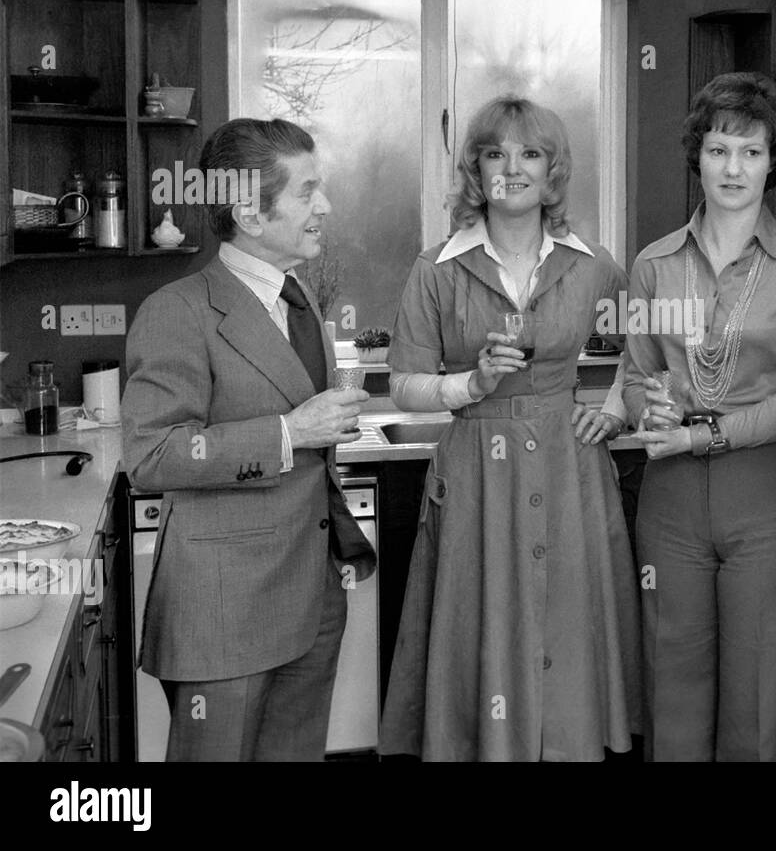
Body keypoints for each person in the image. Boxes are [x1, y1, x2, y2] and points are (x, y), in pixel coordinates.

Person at [379, 95, 639, 762]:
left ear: (553, 170)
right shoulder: (434, 268)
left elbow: (655, 350)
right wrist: (471, 384)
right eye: (496, 152)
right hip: (476, 473)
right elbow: (405, 382)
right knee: (482, 622)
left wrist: (615, 409)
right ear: (476, 168)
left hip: (568, 464)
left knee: (565, 629)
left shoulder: (593, 265)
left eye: (531, 153)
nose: (513, 168)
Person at [122, 118, 376, 761]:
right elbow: (152, 455)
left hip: (311, 596)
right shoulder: (178, 310)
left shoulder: (300, 300)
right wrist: (291, 433)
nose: (325, 207)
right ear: (249, 213)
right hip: (224, 611)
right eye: (307, 192)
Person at [624, 72, 776, 761]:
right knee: (671, 682)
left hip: (770, 498)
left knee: (763, 692)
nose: (734, 168)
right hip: (672, 501)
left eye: (750, 151)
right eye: (719, 150)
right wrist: (649, 406)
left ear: (774, 160)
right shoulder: (653, 264)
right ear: (698, 156)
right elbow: (634, 373)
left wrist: (704, 432)